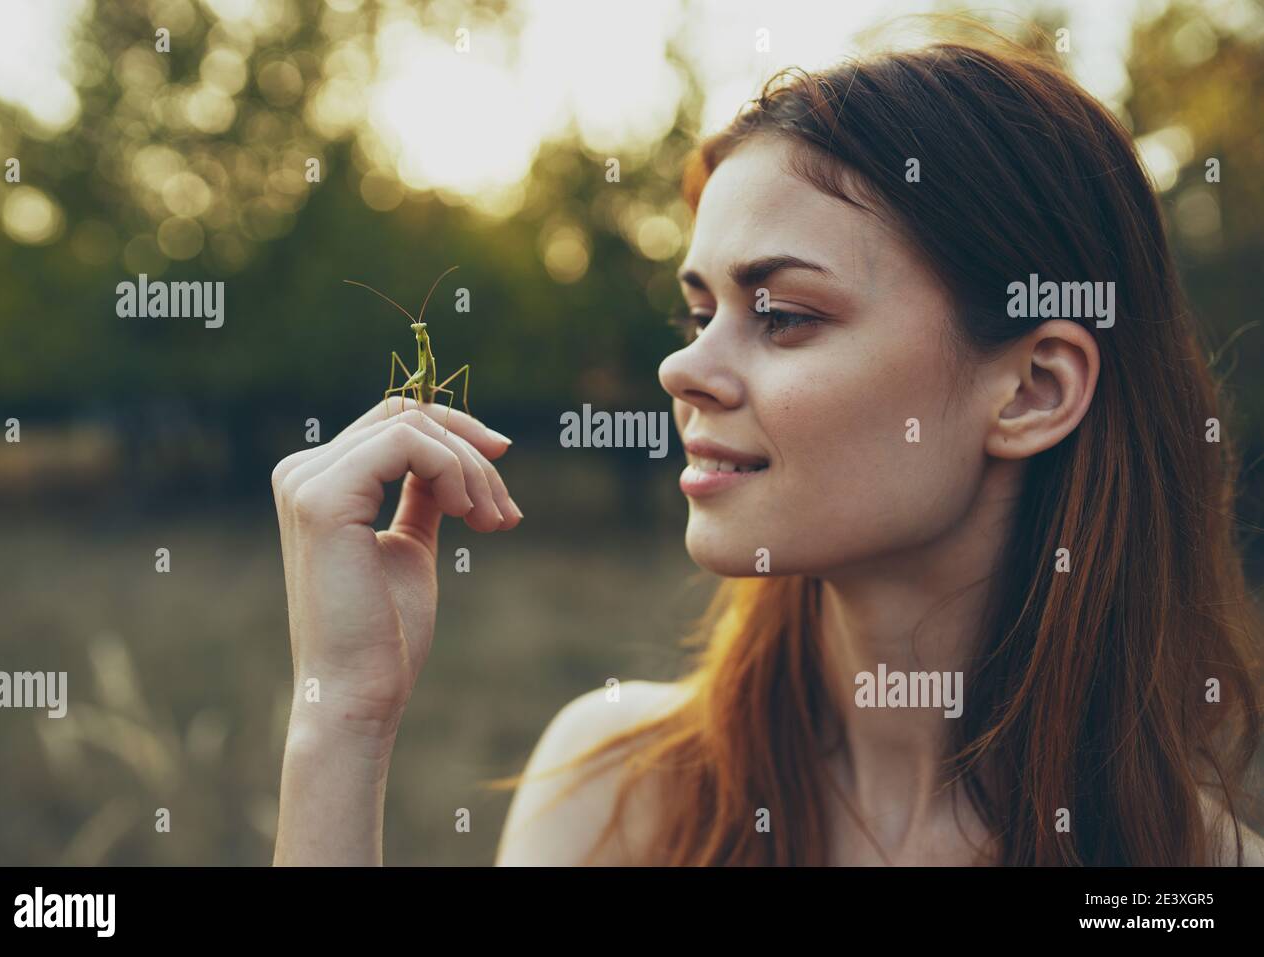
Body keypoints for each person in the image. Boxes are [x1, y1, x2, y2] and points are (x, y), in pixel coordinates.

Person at [272, 33, 1264, 866]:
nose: (680, 369)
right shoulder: (616, 792)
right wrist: (342, 722)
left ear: (1031, 390)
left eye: (782, 315)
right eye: (696, 311)